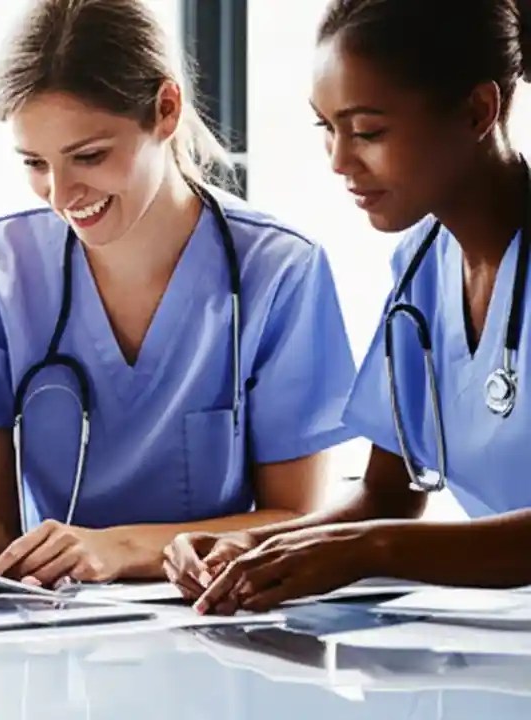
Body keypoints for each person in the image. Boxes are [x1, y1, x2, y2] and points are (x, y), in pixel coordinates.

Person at [0, 0, 356, 589]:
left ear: (165, 109)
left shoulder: (280, 271)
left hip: (220, 630)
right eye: (35, 162)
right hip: (52, 646)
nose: (60, 194)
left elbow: (296, 520)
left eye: (89, 156)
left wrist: (121, 548)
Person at [168, 0, 531, 615]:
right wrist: (251, 542)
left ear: (477, 111)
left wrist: (371, 549)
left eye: (368, 131)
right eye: (327, 129)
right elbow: (385, 497)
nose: (339, 161)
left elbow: (381, 532)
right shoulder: (421, 267)